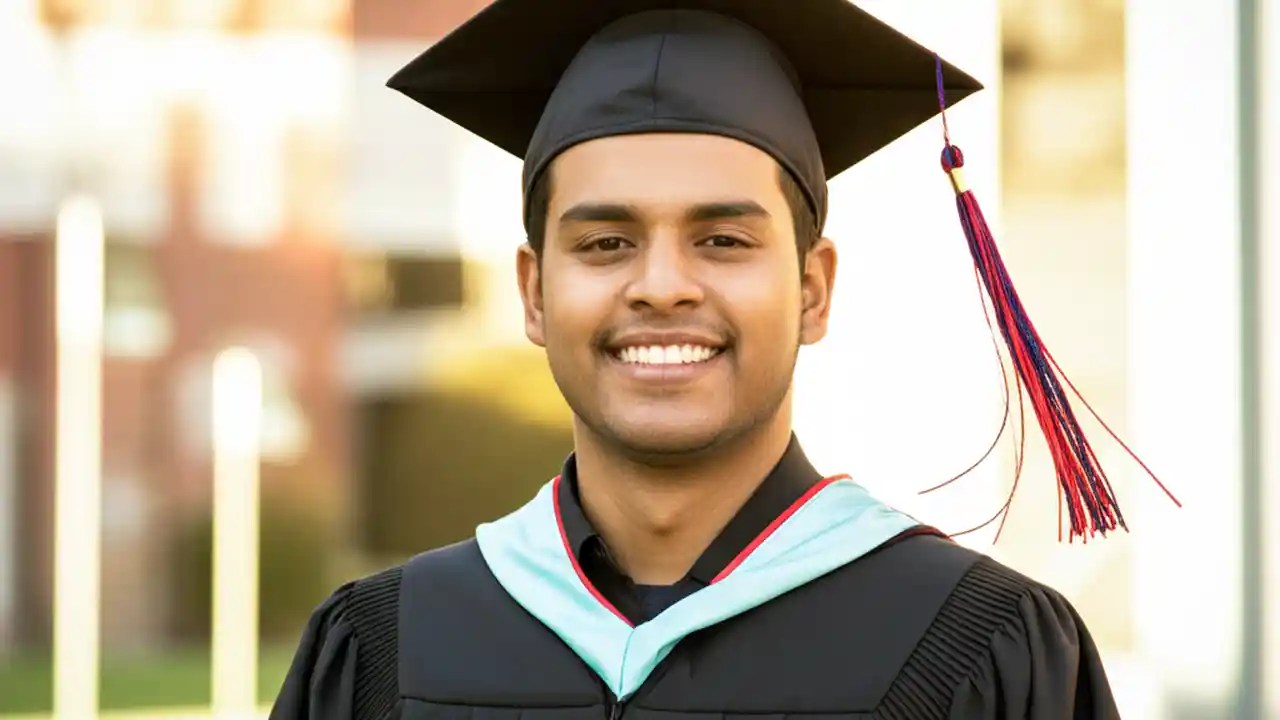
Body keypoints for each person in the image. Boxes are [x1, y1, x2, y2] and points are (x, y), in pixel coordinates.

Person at [271, 2, 1124, 718]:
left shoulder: (981, 649)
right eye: (606, 242)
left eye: (722, 239)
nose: (662, 286)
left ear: (812, 290)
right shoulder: (387, 653)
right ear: (533, 294)